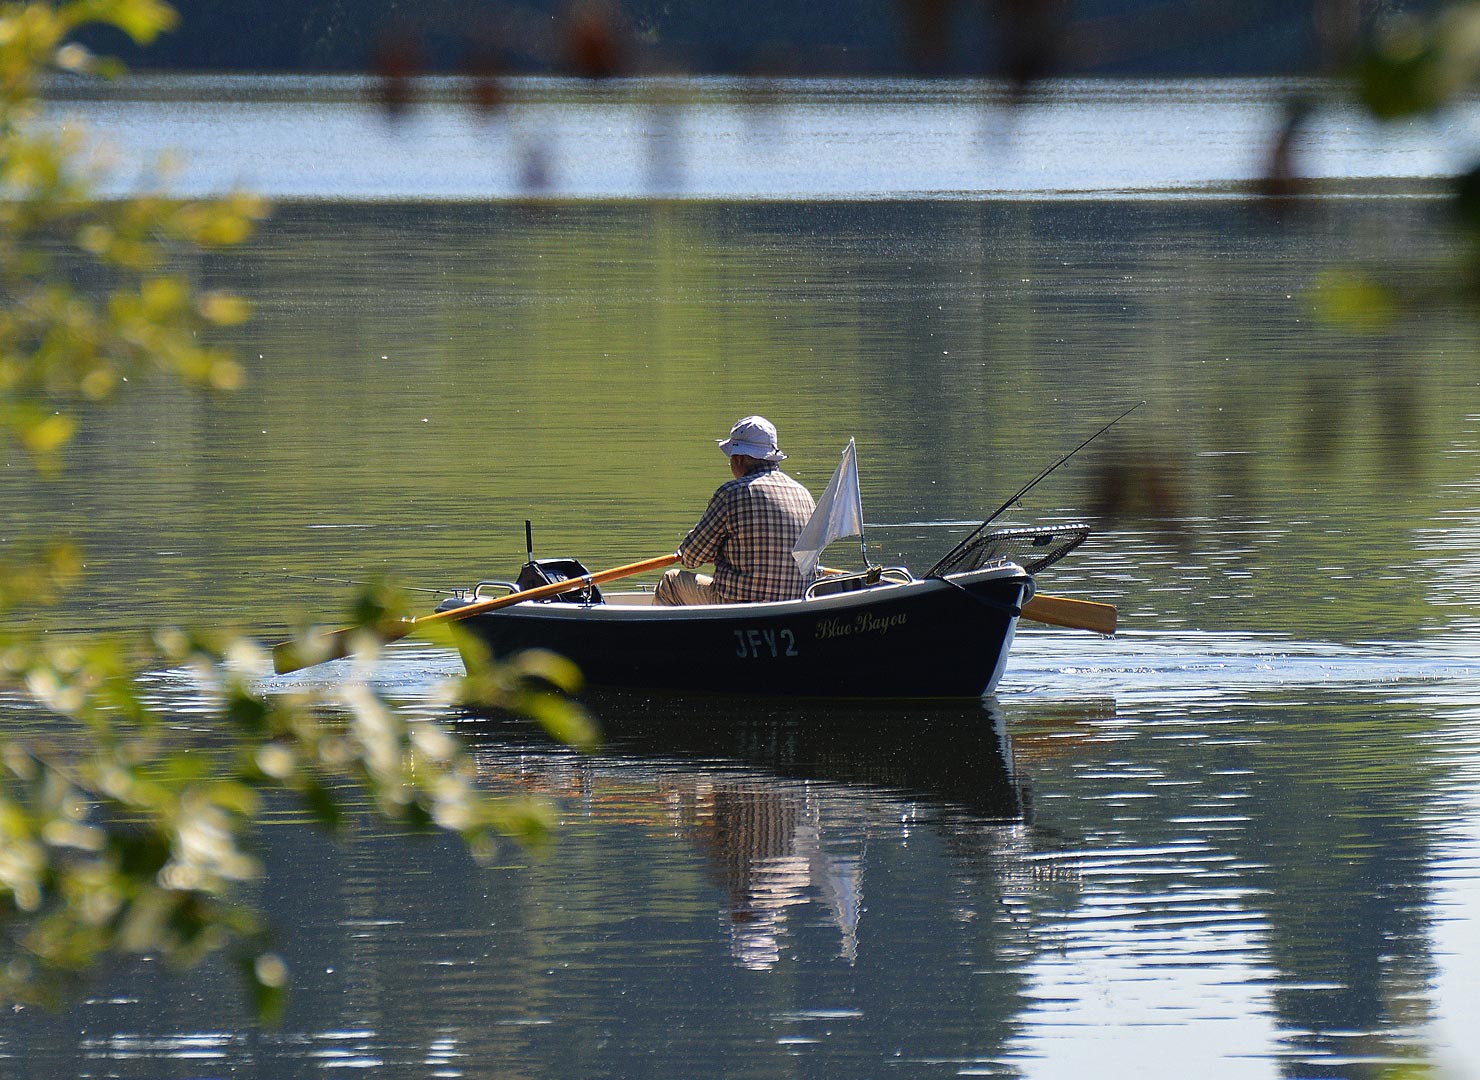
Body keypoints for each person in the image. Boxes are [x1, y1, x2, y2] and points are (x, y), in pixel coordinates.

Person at [654, 416, 816, 606]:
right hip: (797, 604)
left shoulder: (731, 494)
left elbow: (691, 556)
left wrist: (717, 552)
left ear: (738, 458)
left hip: (738, 604)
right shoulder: (804, 495)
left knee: (670, 582)